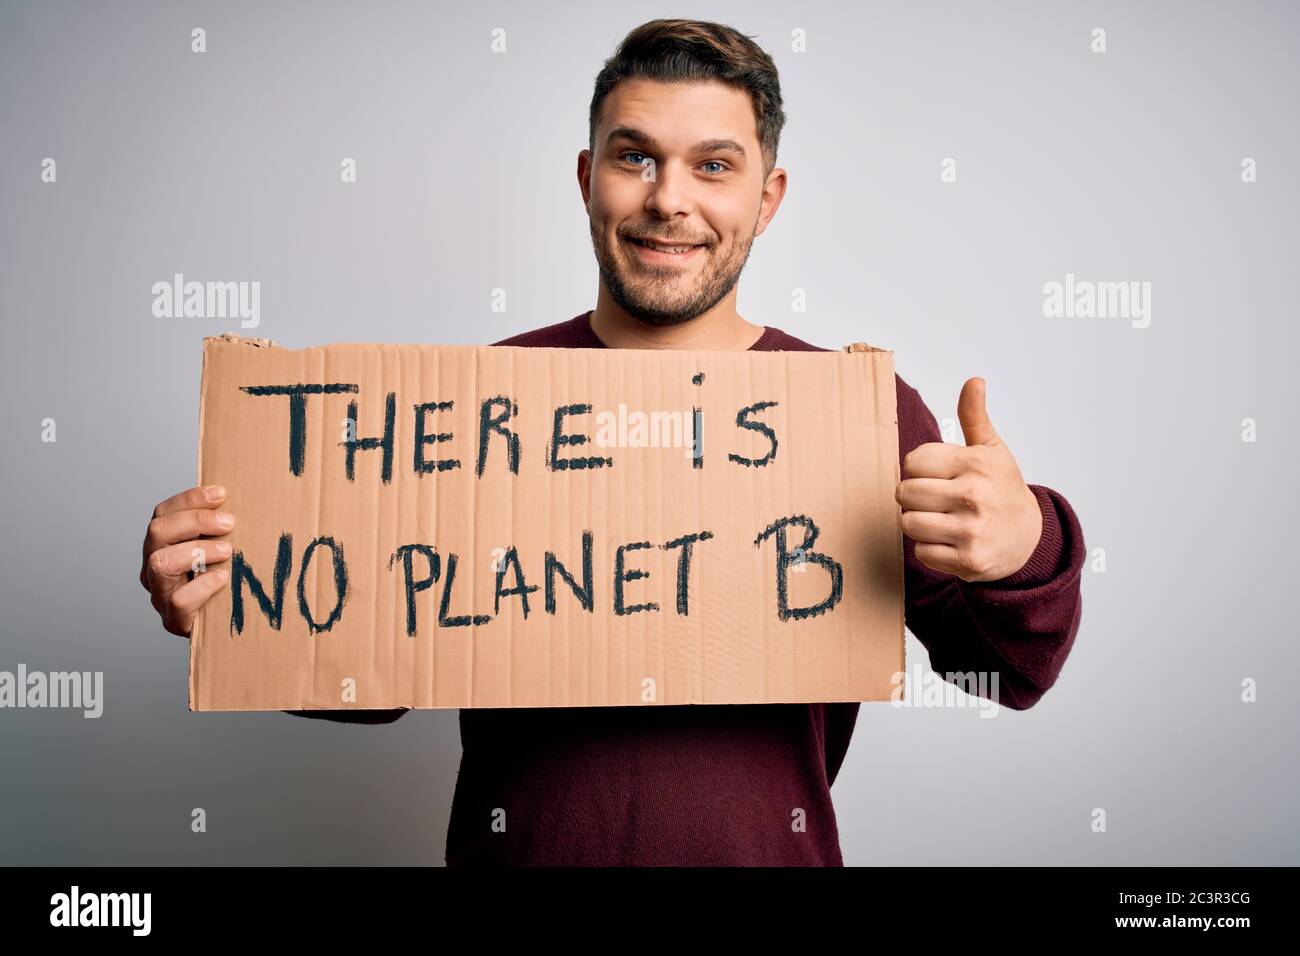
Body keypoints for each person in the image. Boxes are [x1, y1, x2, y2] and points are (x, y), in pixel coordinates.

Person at [139, 19, 1084, 866]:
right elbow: (374, 670)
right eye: (635, 157)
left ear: (768, 197)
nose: (669, 199)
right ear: (588, 177)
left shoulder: (855, 409)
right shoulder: (475, 407)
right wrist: (234, 595)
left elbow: (1013, 673)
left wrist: (1022, 551)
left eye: (714, 165)